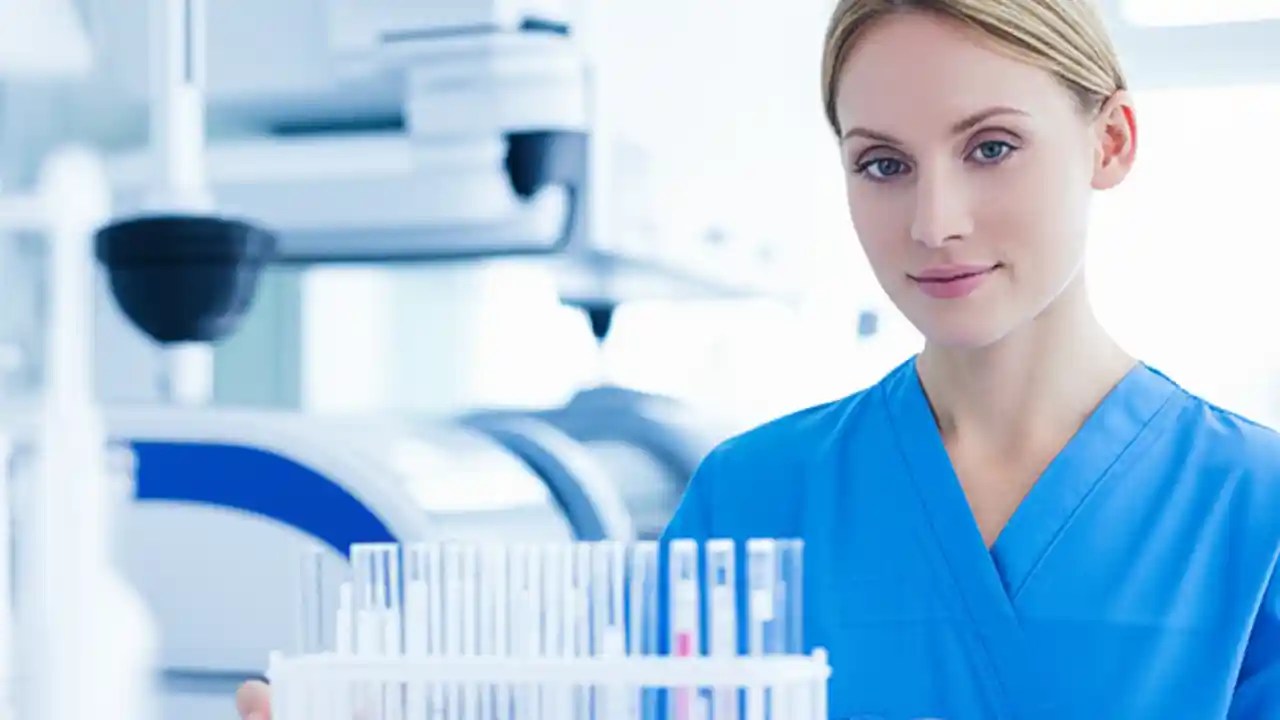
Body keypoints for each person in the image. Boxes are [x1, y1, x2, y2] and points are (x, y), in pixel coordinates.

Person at [238, 0, 1280, 718]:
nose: (933, 220)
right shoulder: (750, 497)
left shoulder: (1253, 510)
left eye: (990, 147)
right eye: (881, 164)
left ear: (1109, 144)